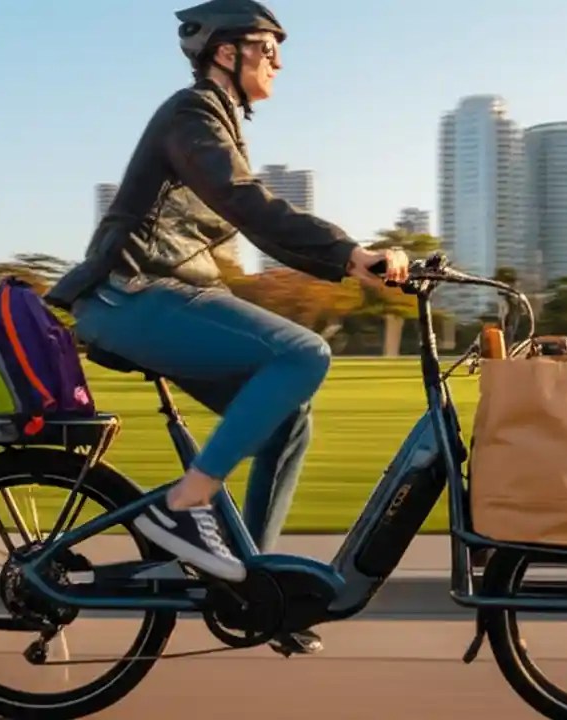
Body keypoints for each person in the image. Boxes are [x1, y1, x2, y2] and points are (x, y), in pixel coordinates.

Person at [44, 0, 409, 654]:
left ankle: (253, 588)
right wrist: (351, 255)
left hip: (158, 297)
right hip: (131, 293)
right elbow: (245, 201)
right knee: (304, 353)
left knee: (289, 421)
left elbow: (255, 219)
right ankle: (183, 505)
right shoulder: (191, 116)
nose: (278, 62)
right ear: (225, 52)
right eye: (269, 49)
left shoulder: (219, 124)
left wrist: (354, 263)